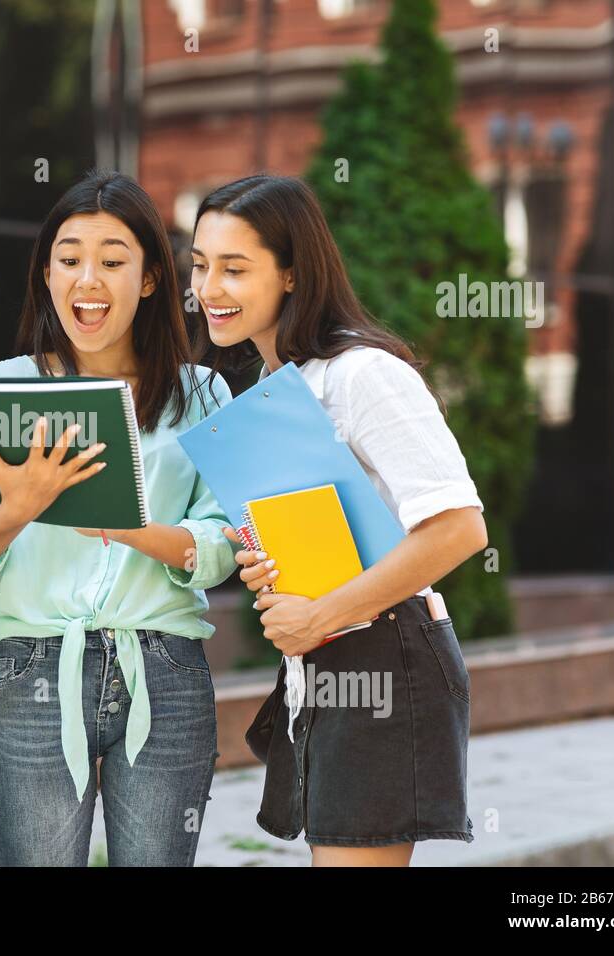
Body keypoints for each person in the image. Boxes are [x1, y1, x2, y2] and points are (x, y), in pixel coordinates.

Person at [0, 170, 237, 866]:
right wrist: (17, 511)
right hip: (34, 668)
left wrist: (132, 529)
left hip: (162, 668)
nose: (87, 279)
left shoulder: (202, 393)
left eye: (112, 259)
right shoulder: (6, 388)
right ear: (46, 274)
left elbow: (223, 544)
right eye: (68, 259)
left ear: (152, 278)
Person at [189, 173, 487, 866]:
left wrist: (318, 614)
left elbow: (459, 528)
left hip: (384, 658)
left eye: (235, 268)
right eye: (201, 266)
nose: (209, 288)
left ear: (292, 274)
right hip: (323, 664)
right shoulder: (275, 389)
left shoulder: (362, 374)